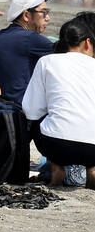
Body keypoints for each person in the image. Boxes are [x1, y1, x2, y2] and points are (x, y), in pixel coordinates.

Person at [22, 14, 95, 187]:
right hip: (93, 147)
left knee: (36, 117)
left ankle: (56, 168)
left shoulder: (46, 61)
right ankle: (92, 170)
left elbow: (31, 109)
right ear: (87, 43)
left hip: (56, 146)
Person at [0, 0, 52, 106]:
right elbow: (70, 53)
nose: (48, 18)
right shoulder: (30, 38)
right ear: (26, 15)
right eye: (44, 13)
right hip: (17, 109)